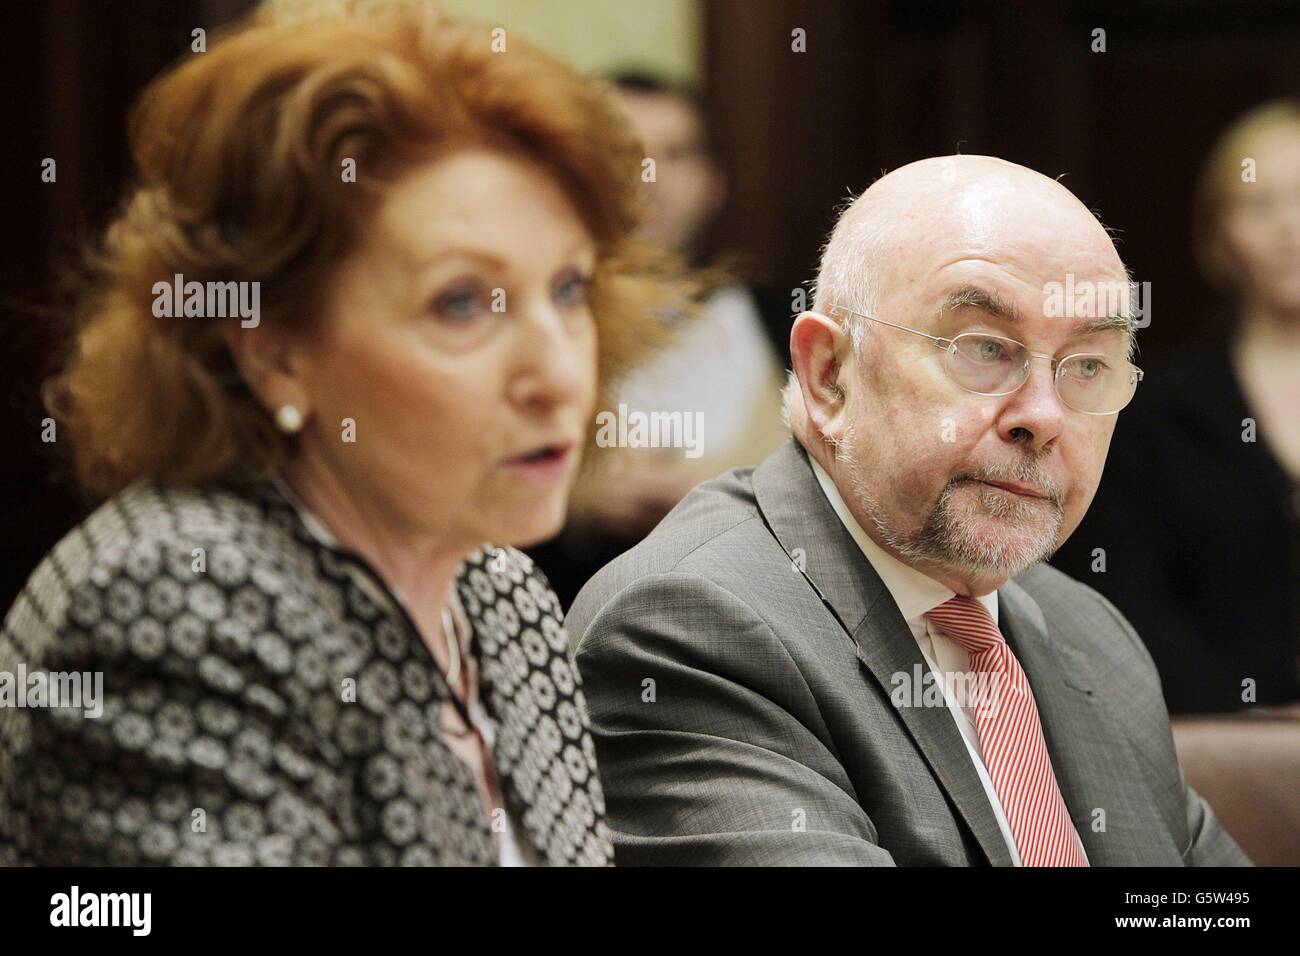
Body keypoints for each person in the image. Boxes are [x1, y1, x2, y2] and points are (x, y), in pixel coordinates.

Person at [0, 0, 683, 866]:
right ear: (276, 351)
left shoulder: (502, 593)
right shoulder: (176, 605)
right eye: (463, 302)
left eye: (568, 290)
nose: (559, 377)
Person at [568, 155, 1252, 866]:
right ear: (828, 374)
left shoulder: (1089, 634)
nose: (1043, 416)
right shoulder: (688, 626)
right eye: (984, 348)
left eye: (1087, 365)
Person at [1052, 100, 1300, 715]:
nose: (1289, 225)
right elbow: (1125, 600)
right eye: (1258, 203)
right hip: (1216, 753)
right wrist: (1245, 724)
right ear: (1221, 236)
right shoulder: (1156, 410)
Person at [529, 72, 790, 609]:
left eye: (675, 155)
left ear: (712, 182)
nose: (650, 178)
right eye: (625, 153)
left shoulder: (786, 321)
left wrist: (728, 500)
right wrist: (571, 503)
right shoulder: (531, 321)